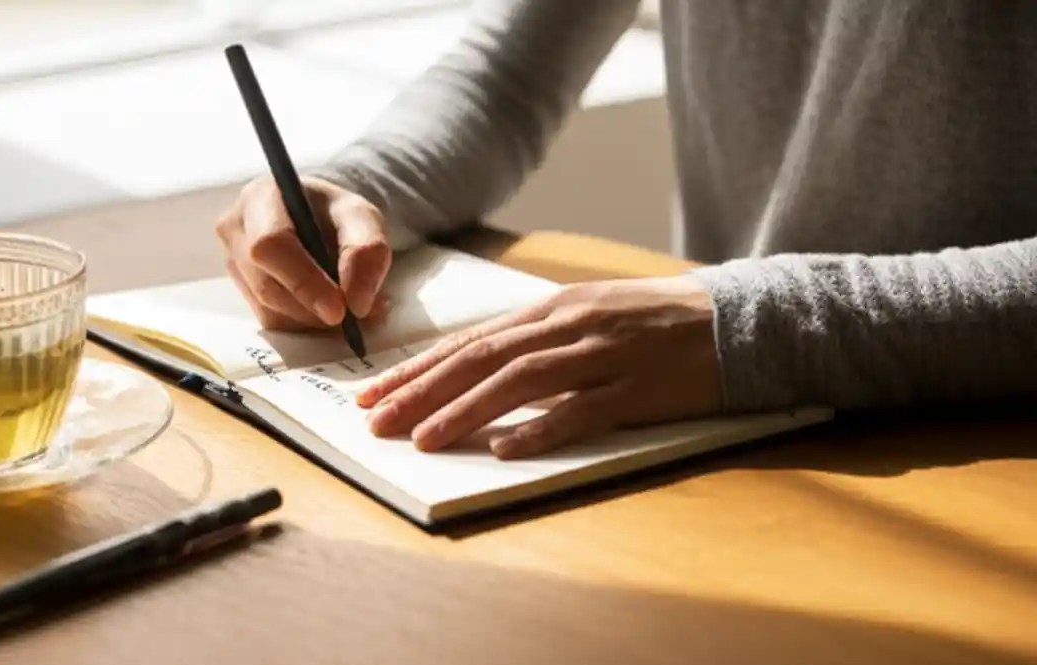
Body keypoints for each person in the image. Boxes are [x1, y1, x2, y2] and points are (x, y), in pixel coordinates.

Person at [214, 0, 1037, 460]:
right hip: (726, 427)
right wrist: (359, 189)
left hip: (985, 451)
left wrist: (751, 323)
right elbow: (510, 74)